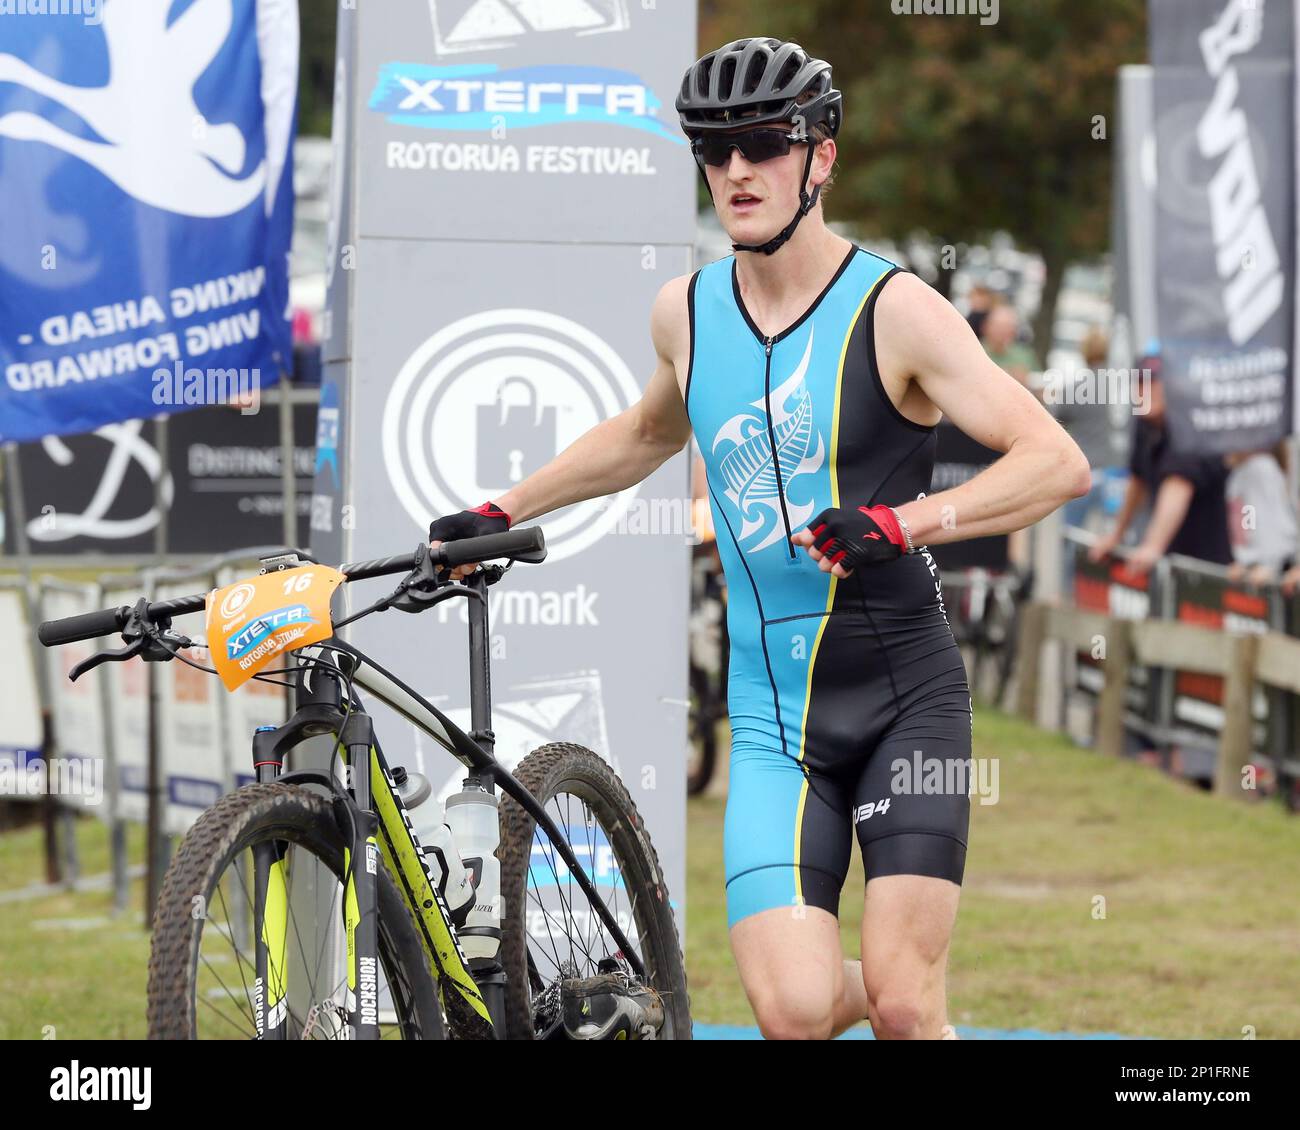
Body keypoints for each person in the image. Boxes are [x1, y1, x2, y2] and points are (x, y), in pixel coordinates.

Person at [428, 38, 1090, 1040]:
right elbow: (645, 433)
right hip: (775, 721)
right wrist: (502, 507)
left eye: (763, 144)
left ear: (818, 157)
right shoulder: (687, 311)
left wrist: (903, 521)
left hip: (907, 697)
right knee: (792, 1007)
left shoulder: (895, 308)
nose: (736, 170)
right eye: (714, 148)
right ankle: (908, 995)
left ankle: (919, 1004)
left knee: (908, 1003)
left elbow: (1055, 460)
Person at [1090, 353, 1231, 573]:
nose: (1145, 391)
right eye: (1140, 383)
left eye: (1154, 383)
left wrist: (1152, 546)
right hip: (1170, 558)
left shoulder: (1191, 422)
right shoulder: (1144, 424)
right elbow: (1137, 481)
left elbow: (1179, 484)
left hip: (1208, 562)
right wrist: (1116, 535)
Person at [1225, 443, 1297, 586]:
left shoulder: (1260, 468)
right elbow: (1249, 518)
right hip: (1259, 568)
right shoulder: (1243, 471)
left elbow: (1273, 524)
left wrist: (1267, 566)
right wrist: (1245, 562)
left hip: (1272, 569)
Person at [979, 299, 1036, 388]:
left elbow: (1042, 386)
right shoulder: (975, 350)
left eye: (1008, 327)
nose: (1003, 331)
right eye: (999, 326)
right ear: (986, 327)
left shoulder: (1025, 354)